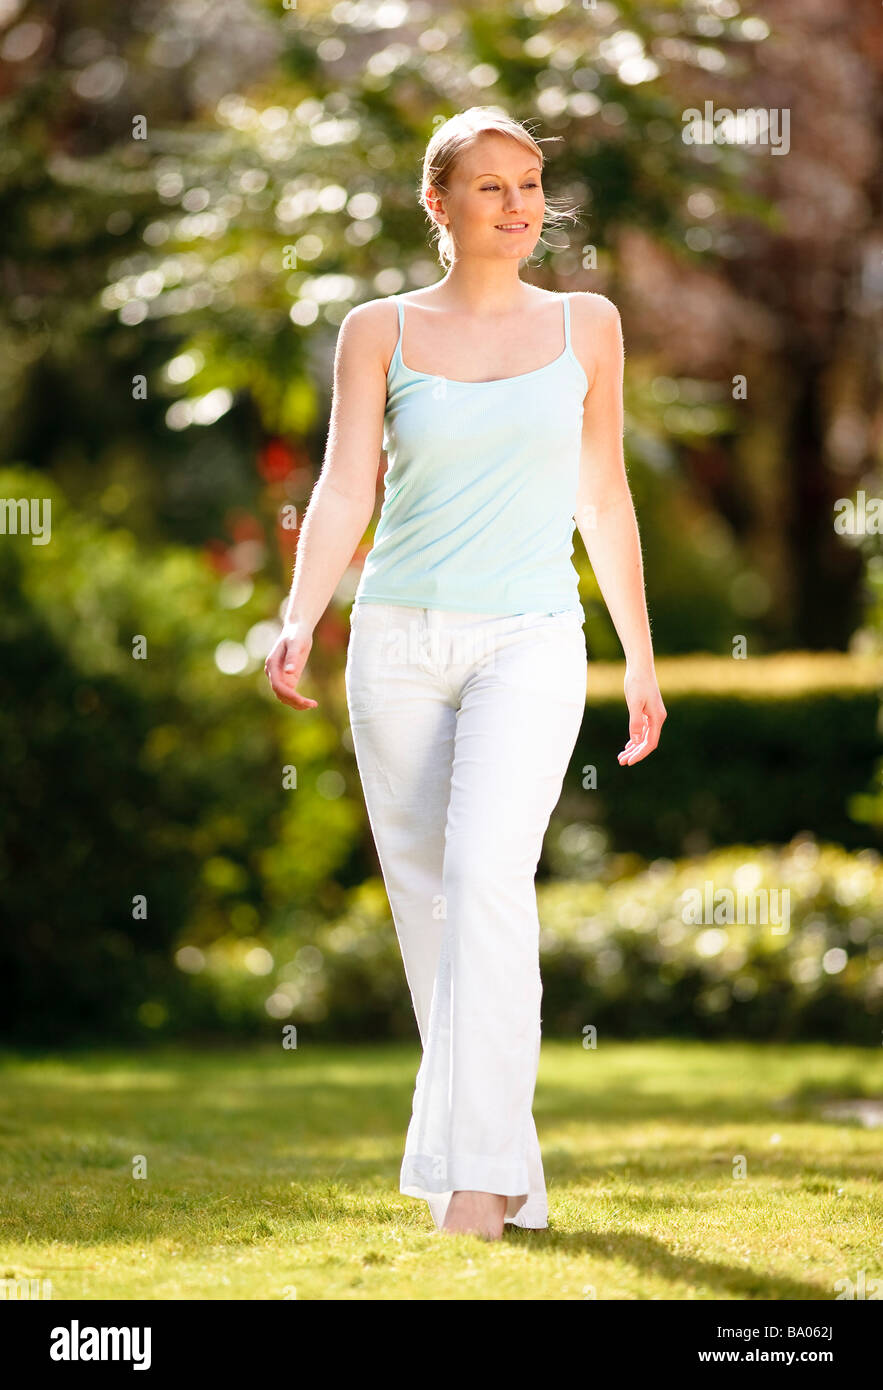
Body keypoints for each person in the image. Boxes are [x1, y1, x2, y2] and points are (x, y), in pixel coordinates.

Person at [265, 107, 666, 1240]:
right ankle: (502, 1166)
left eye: (531, 182)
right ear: (437, 205)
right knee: (434, 917)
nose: (520, 203)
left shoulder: (587, 325)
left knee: (488, 877)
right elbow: (347, 488)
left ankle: (476, 1197)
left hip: (529, 640)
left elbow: (603, 495)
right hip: (395, 645)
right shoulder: (376, 329)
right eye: (490, 187)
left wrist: (639, 654)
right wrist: (299, 616)